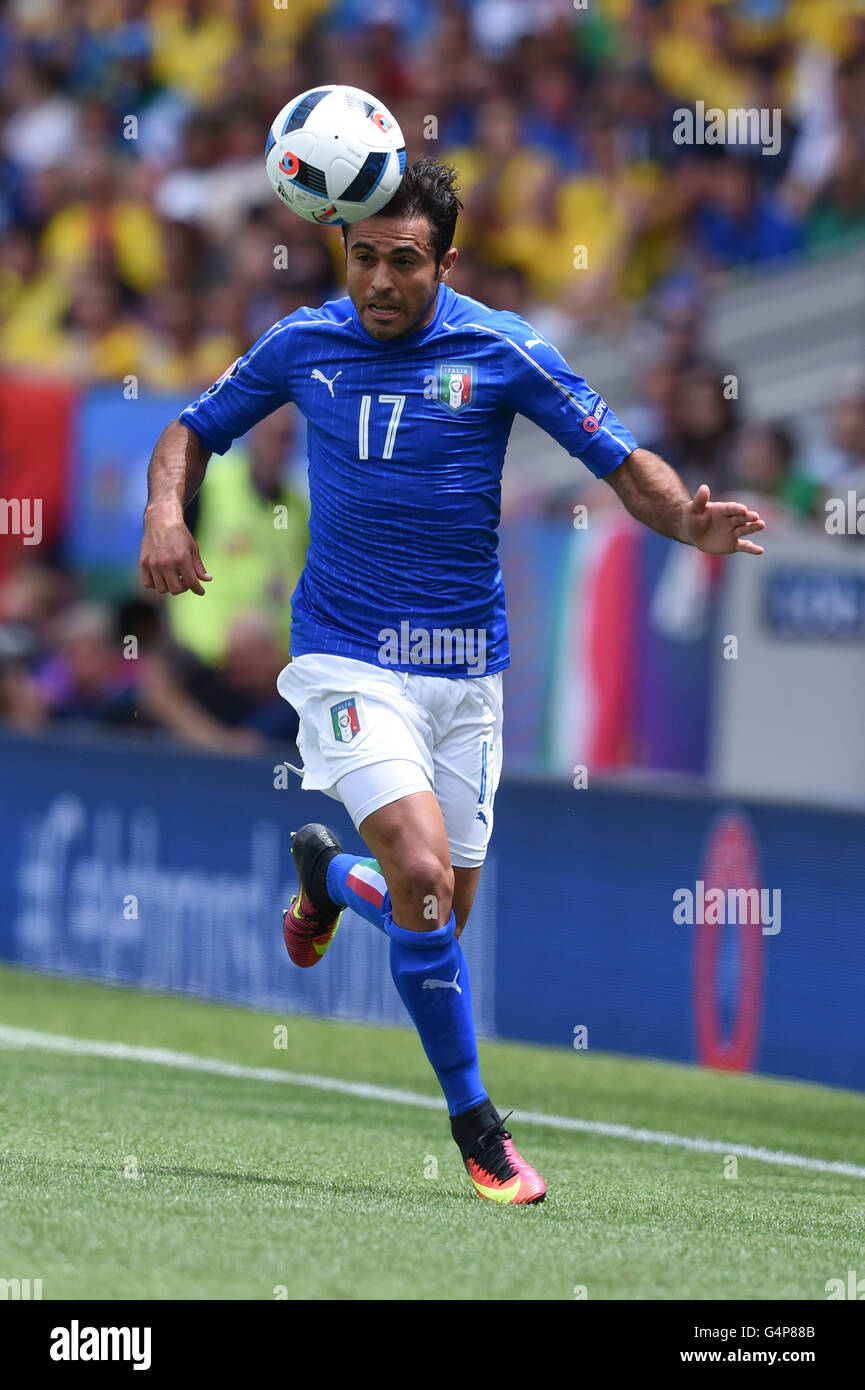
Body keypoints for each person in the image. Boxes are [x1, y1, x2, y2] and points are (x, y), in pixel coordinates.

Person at [140, 158, 766, 1206]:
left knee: (438, 911)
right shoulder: (303, 342)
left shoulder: (503, 348)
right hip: (344, 657)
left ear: (445, 262)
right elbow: (189, 431)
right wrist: (168, 509)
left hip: (464, 676)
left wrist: (684, 522)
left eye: (403, 262)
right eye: (364, 259)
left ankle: (330, 879)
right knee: (426, 880)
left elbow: (621, 460)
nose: (379, 282)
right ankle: (480, 1131)